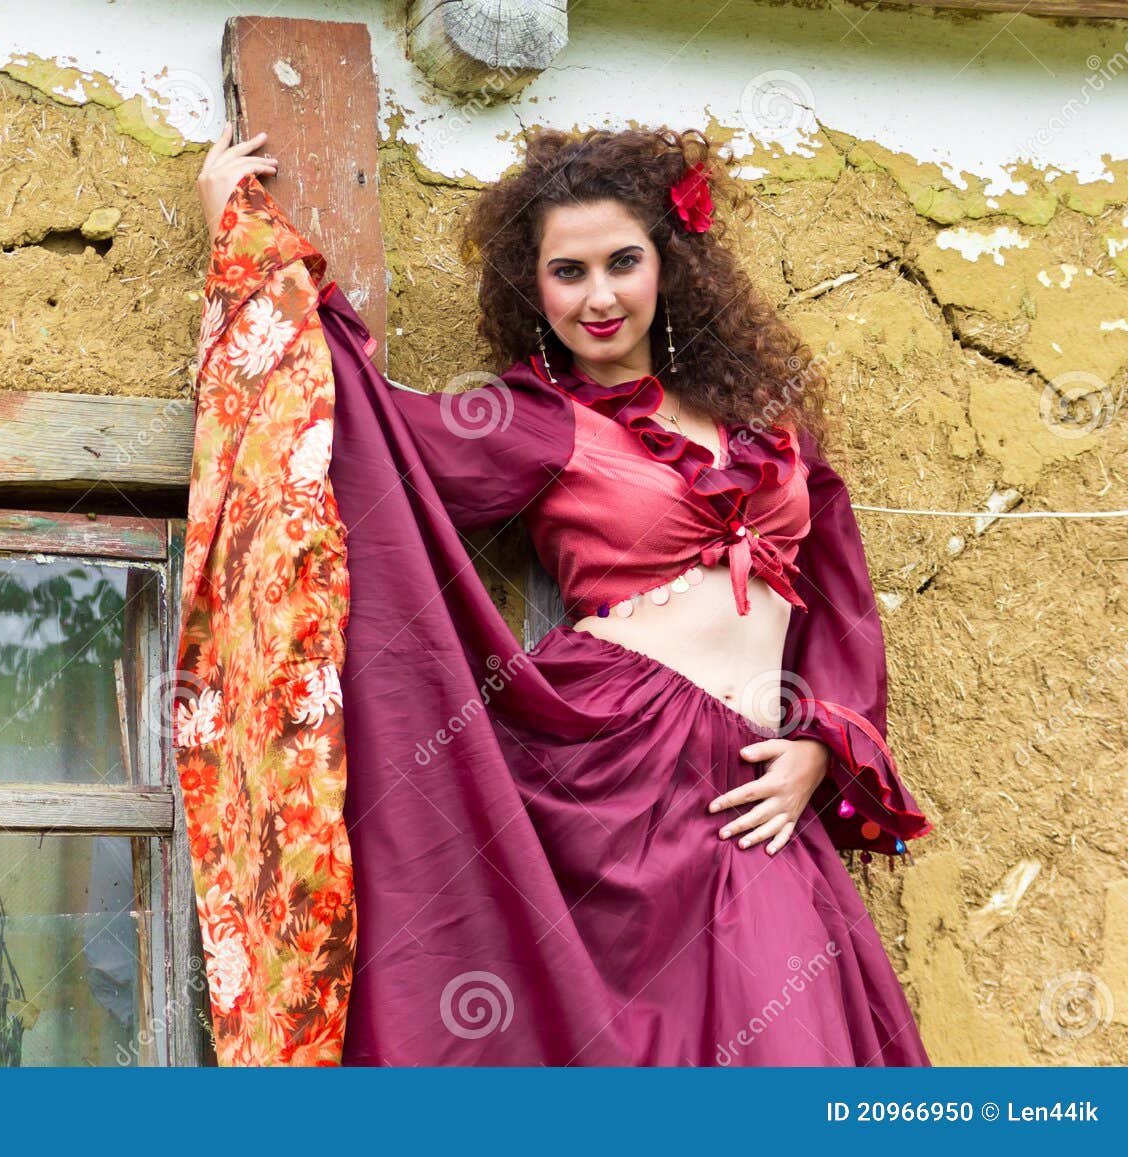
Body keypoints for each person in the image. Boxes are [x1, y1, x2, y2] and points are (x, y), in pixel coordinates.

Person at [184, 122, 933, 1065]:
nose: (601, 296)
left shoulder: (772, 427)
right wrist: (249, 249)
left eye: (623, 261)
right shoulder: (536, 423)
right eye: (567, 272)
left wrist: (822, 746)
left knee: (796, 1046)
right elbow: (364, 424)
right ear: (531, 289)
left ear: (671, 262)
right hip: (610, 772)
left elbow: (840, 601)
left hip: (752, 787)